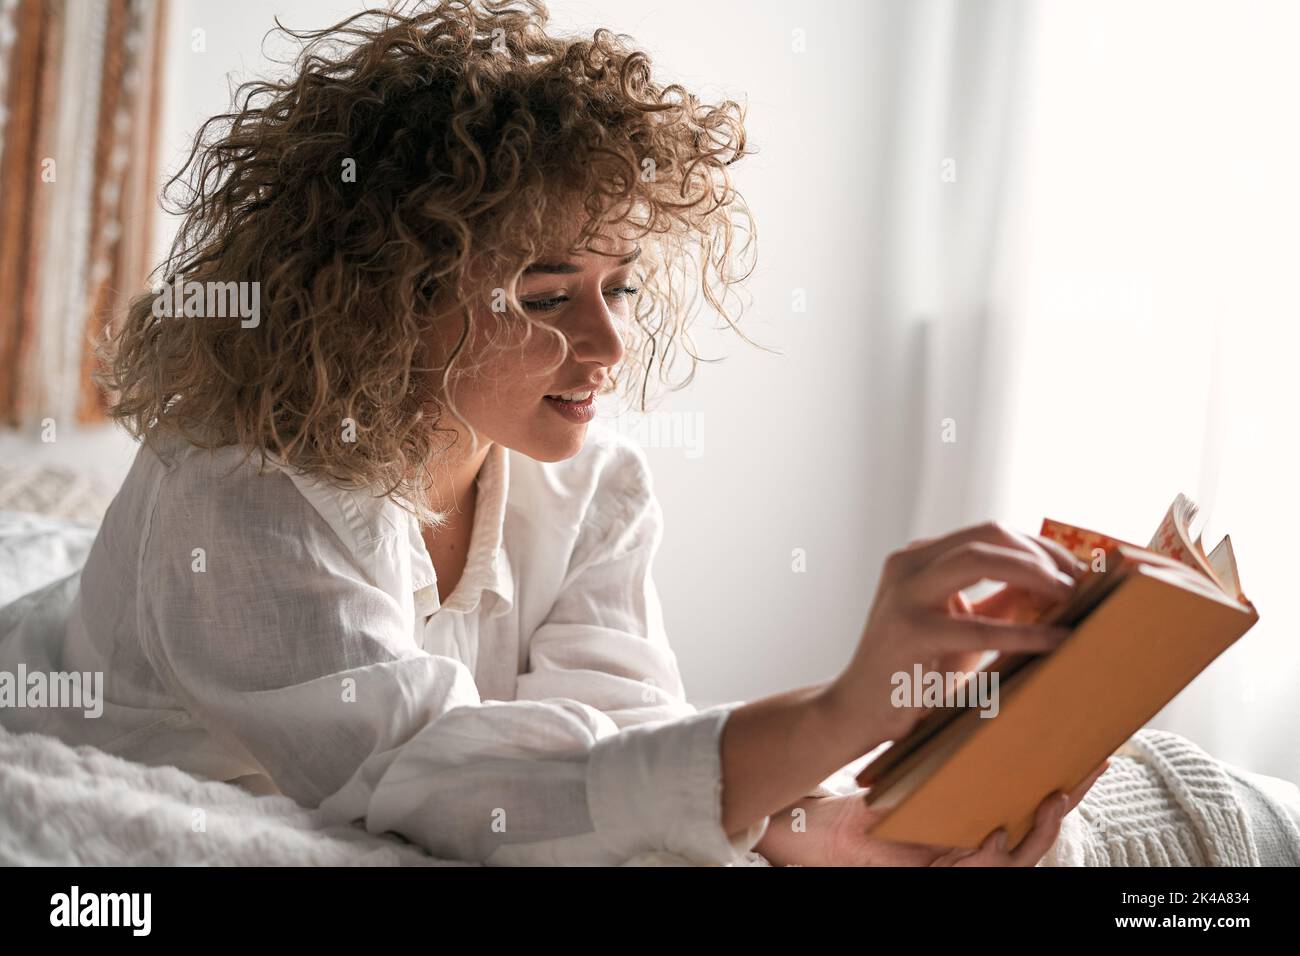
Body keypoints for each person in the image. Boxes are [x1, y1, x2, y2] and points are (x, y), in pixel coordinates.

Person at [64, 0, 1102, 865]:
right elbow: (416, 766)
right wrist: (836, 710)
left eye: (620, 286)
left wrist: (822, 823)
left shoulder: (594, 484)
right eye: (547, 296)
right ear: (386, 301)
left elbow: (620, 742)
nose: (609, 343)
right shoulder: (241, 487)